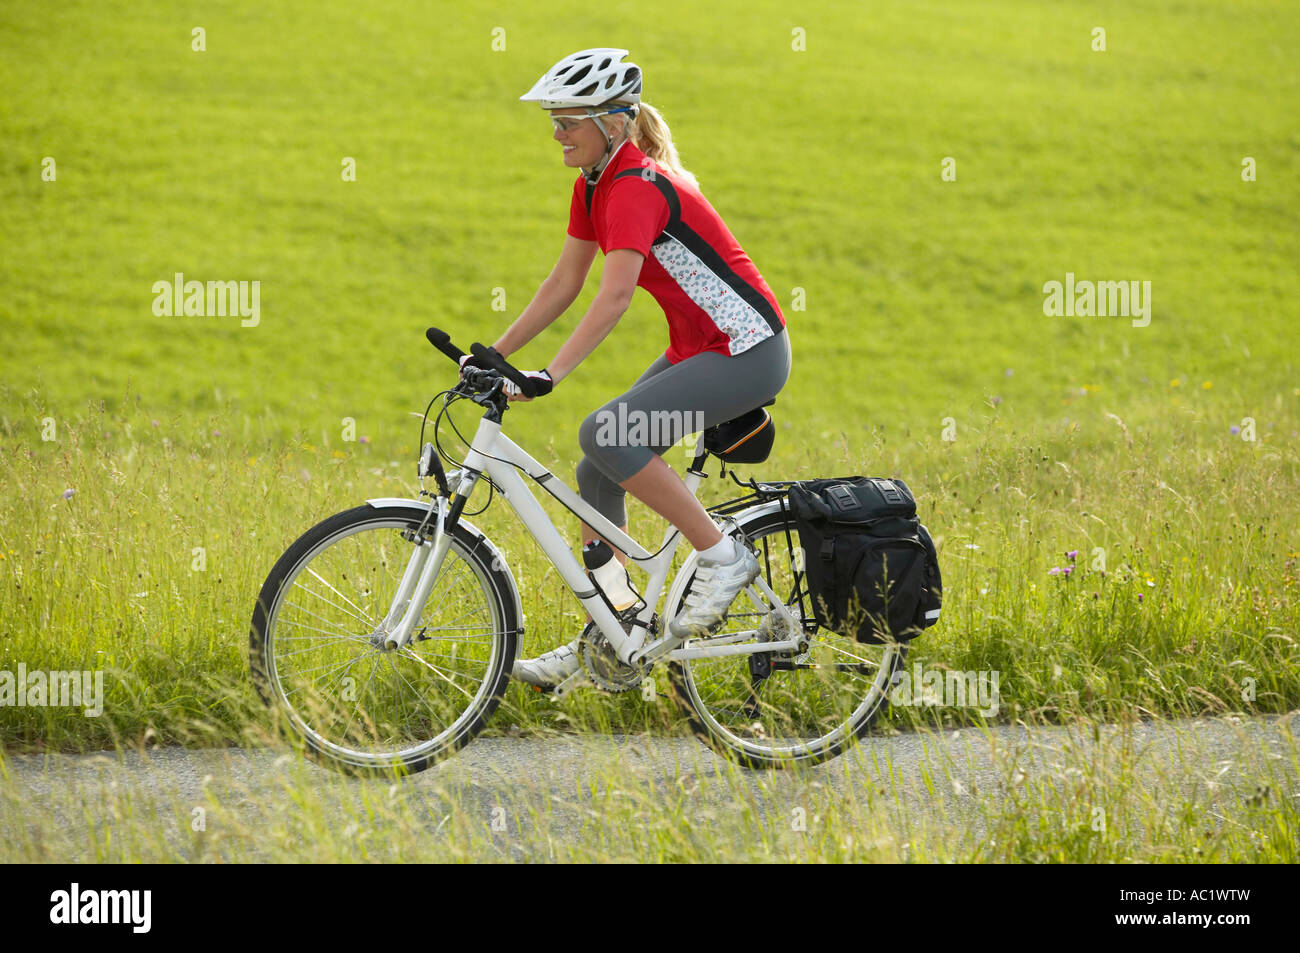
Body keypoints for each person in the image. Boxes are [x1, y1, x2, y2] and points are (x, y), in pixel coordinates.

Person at [465, 48, 792, 689]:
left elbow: (613, 297)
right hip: (699, 347)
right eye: (553, 121)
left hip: (746, 349)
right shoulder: (594, 186)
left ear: (614, 123)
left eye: (568, 122)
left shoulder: (638, 188)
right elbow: (565, 282)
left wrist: (550, 375)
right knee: (598, 465)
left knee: (605, 433)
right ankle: (615, 632)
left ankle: (723, 558)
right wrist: (497, 357)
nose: (556, 134)